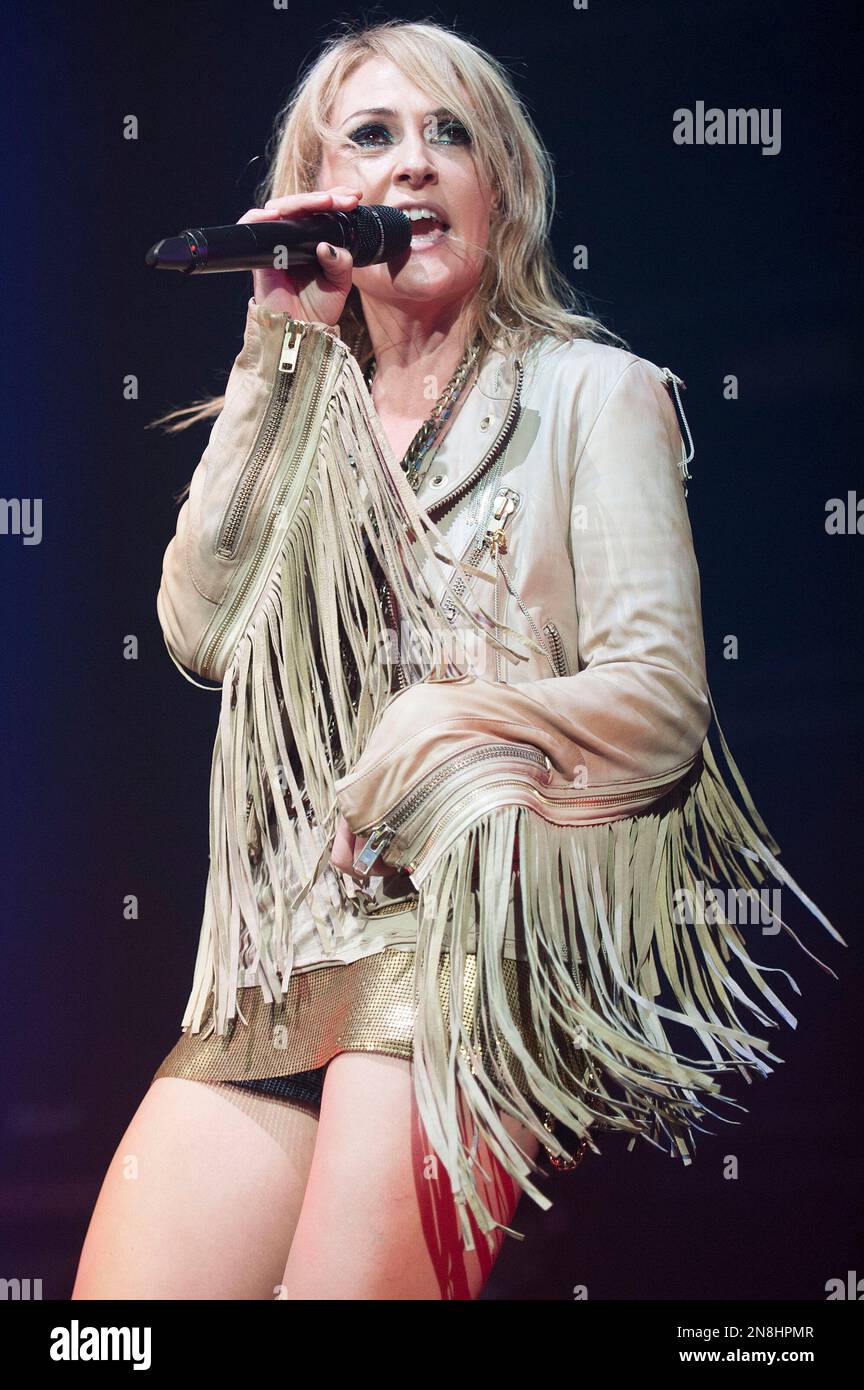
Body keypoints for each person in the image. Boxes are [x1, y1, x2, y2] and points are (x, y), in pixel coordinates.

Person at [72, 18, 842, 1301]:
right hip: (275, 953)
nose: (414, 164)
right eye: (372, 136)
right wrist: (276, 347)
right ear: (324, 196)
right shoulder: (297, 415)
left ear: (507, 189)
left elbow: (658, 701)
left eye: (451, 135)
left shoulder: (597, 393)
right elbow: (202, 628)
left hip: (465, 941)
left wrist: (438, 731)